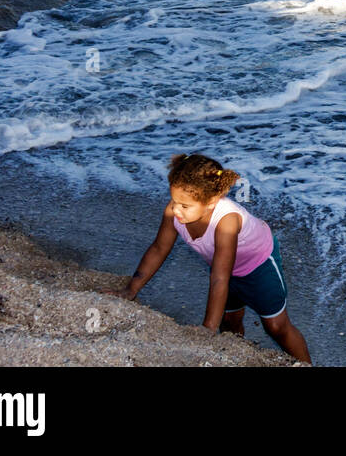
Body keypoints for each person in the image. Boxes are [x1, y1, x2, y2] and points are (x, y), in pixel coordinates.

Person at [107, 153, 311, 363]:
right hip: (224, 270)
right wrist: (130, 290)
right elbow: (159, 248)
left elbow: (219, 277)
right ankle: (235, 358)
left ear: (212, 201)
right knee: (230, 323)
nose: (176, 209)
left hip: (259, 267)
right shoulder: (175, 212)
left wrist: (207, 329)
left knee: (275, 327)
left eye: (185, 206)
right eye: (174, 201)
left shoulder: (226, 221)